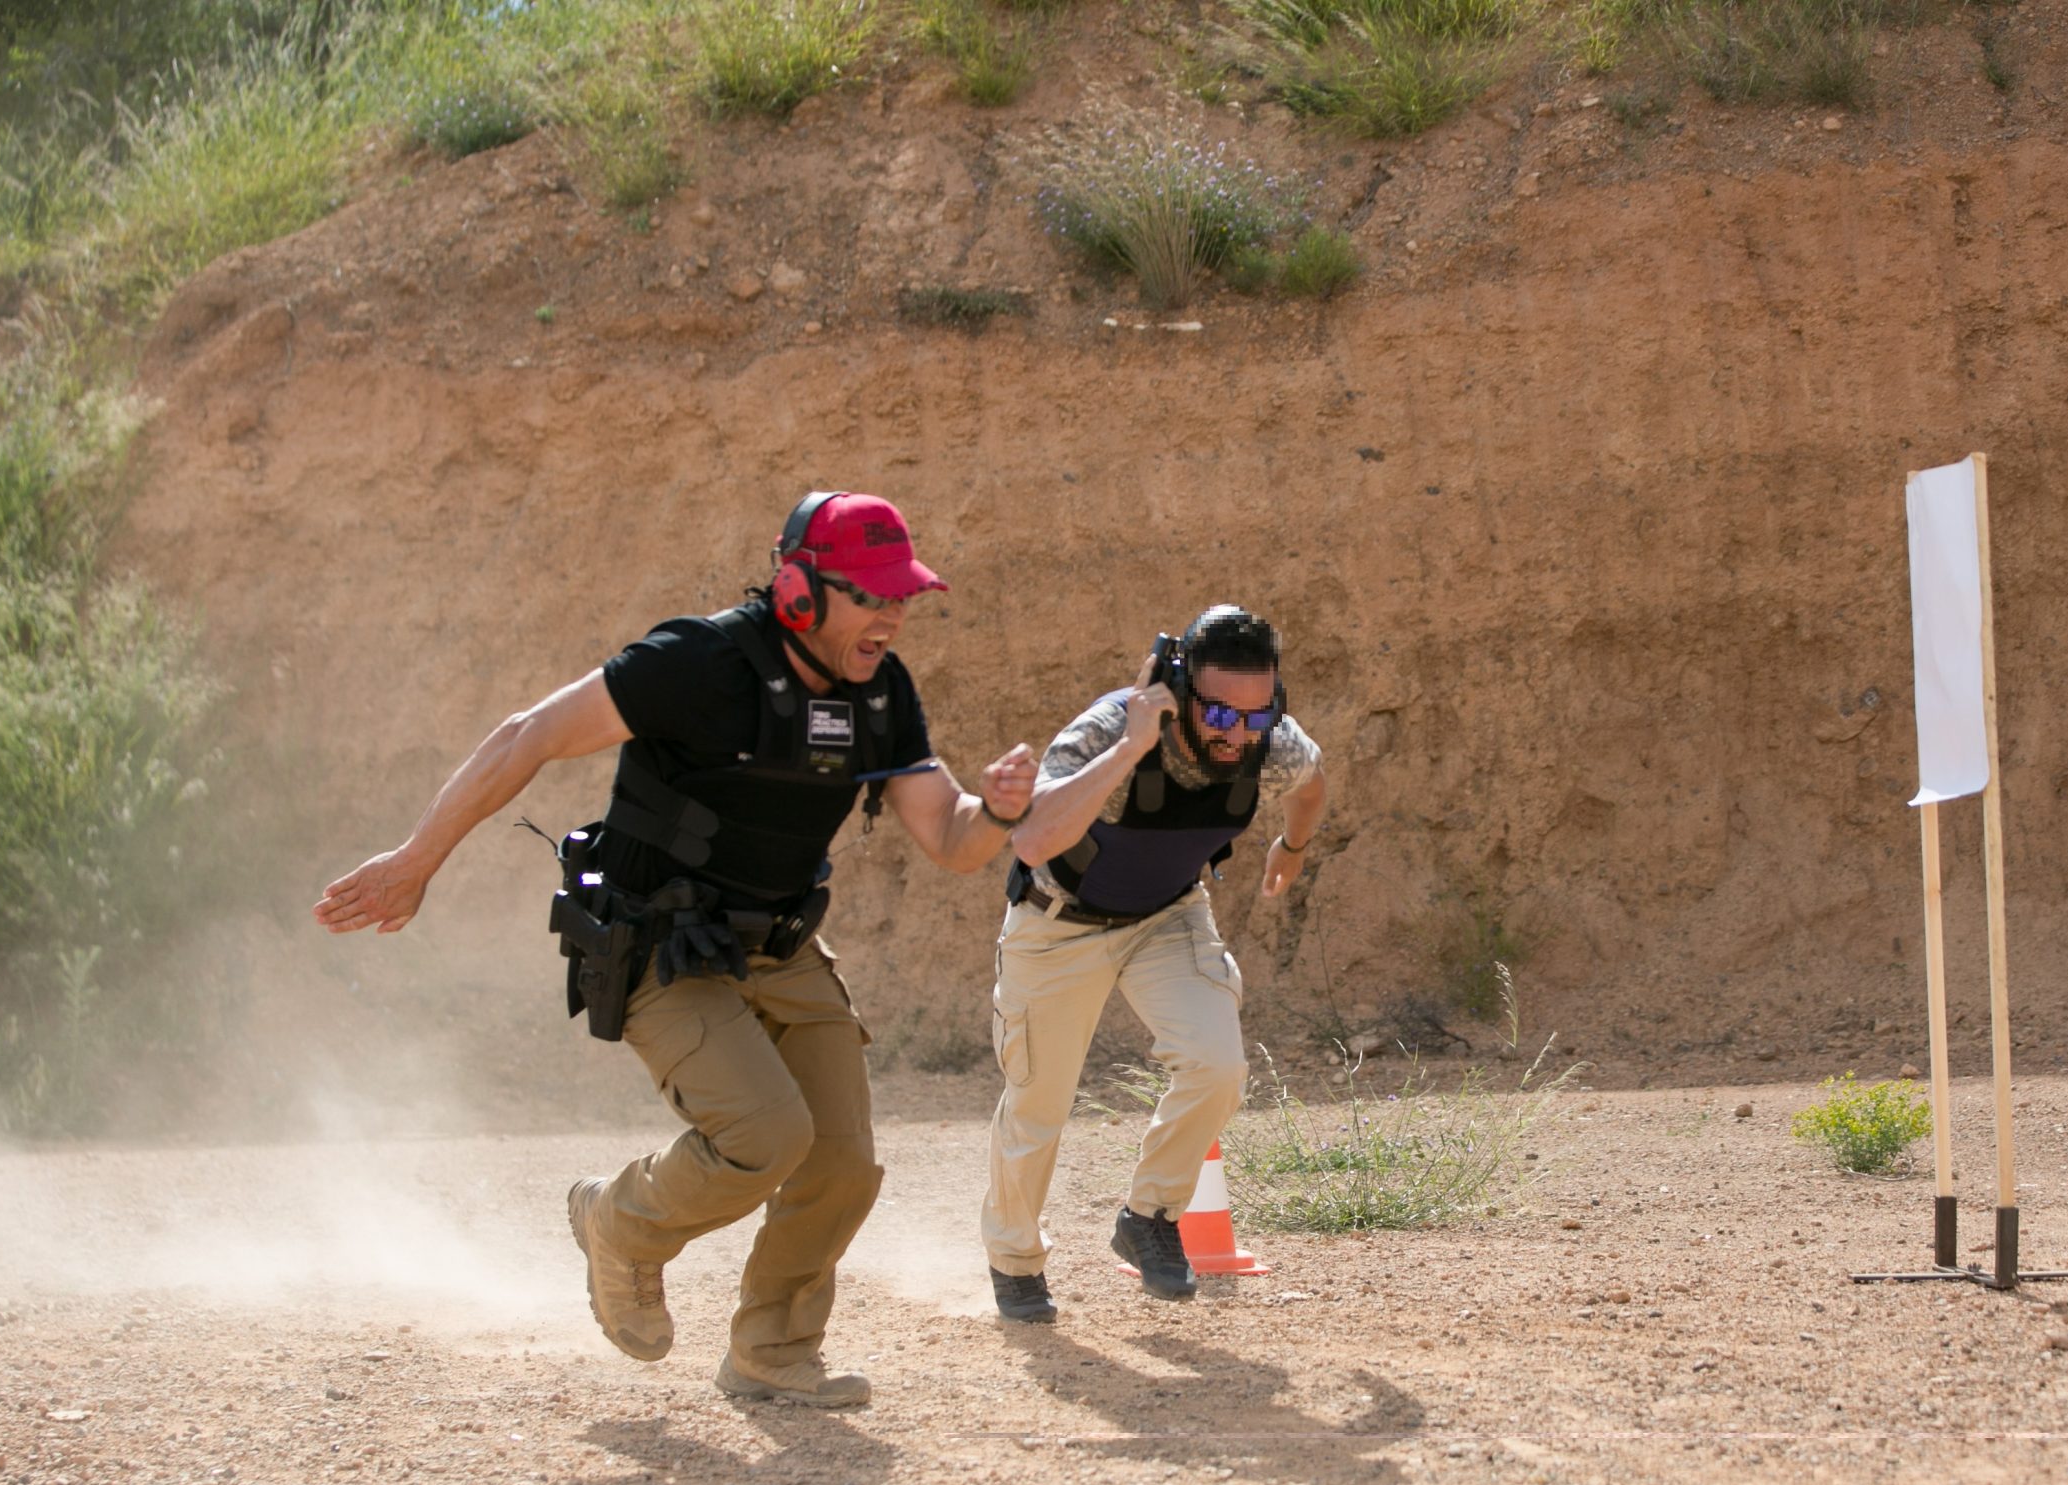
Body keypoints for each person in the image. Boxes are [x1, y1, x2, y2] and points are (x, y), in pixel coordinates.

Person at [314, 491, 1038, 1406]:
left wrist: (1000, 812)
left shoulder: (880, 694)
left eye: (903, 599)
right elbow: (528, 735)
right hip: (661, 939)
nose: (892, 617)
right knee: (765, 1135)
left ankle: (773, 1351)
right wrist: (418, 859)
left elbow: (950, 839)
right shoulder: (695, 665)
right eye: (871, 597)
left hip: (780, 941)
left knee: (843, 1164)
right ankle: (617, 1224)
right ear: (798, 589)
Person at [983, 606, 1329, 1323]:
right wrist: (1133, 747)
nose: (1238, 734)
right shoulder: (1113, 728)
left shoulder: (1273, 744)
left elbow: (1312, 781)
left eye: (1256, 716)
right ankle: (1015, 1261)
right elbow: (1033, 836)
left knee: (1217, 1064)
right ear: (1177, 689)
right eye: (1220, 714)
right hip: (1059, 924)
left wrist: (1291, 849)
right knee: (1037, 1104)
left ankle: (1149, 1216)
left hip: (1167, 916)